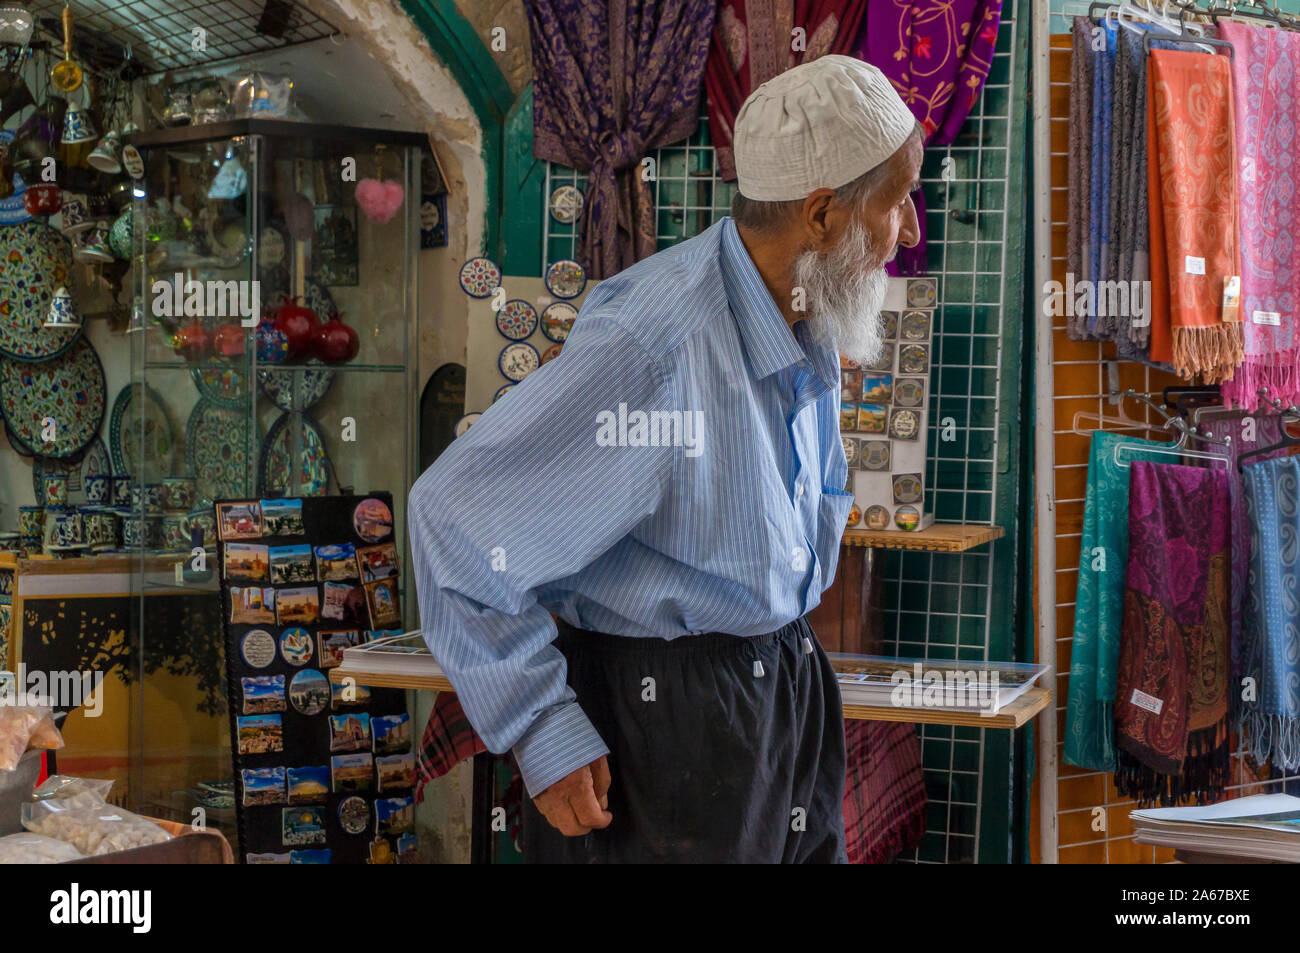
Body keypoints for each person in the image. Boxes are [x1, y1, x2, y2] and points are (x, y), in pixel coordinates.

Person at [409, 54, 922, 863]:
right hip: (664, 726)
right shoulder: (654, 346)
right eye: (899, 203)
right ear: (821, 214)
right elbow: (456, 515)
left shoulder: (805, 314)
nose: (912, 231)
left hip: (780, 689)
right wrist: (542, 725)